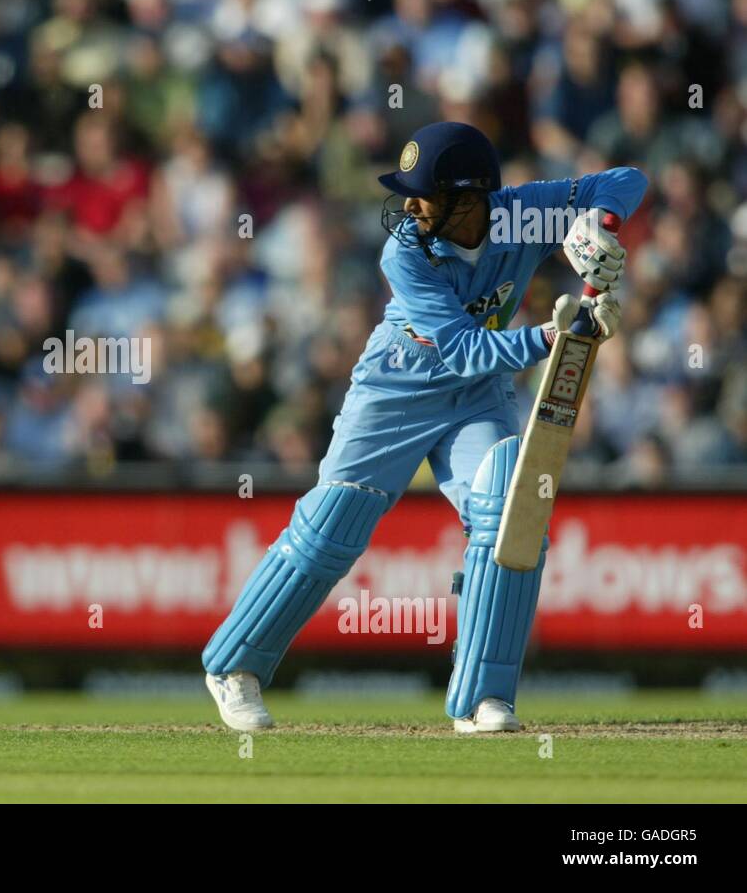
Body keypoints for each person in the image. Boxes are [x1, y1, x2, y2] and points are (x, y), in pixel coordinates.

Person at [203, 121, 645, 732]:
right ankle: (234, 666)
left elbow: (627, 179)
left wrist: (598, 223)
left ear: (470, 198)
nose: (408, 205)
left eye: (423, 193)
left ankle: (483, 697)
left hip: (477, 398)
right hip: (397, 384)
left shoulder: (524, 215)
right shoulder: (404, 250)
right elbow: (463, 349)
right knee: (335, 522)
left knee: (509, 515)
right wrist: (554, 335)